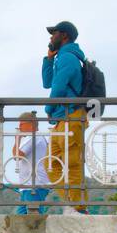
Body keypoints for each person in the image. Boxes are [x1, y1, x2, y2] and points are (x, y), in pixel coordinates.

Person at [41, 21, 88, 214]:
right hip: (62, 118)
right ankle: (73, 203)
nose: (51, 37)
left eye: (54, 34)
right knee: (51, 164)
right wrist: (48, 59)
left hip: (72, 117)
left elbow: (58, 89)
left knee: (72, 164)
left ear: (65, 36)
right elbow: (47, 83)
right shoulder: (62, 58)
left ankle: (79, 208)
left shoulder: (69, 57)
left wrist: (48, 109)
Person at [11, 111, 52, 214]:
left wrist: (17, 138)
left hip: (34, 186)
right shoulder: (34, 138)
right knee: (22, 219)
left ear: (31, 124)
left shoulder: (35, 137)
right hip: (31, 186)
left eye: (21, 124)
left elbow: (17, 156)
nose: (19, 127)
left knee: (33, 220)